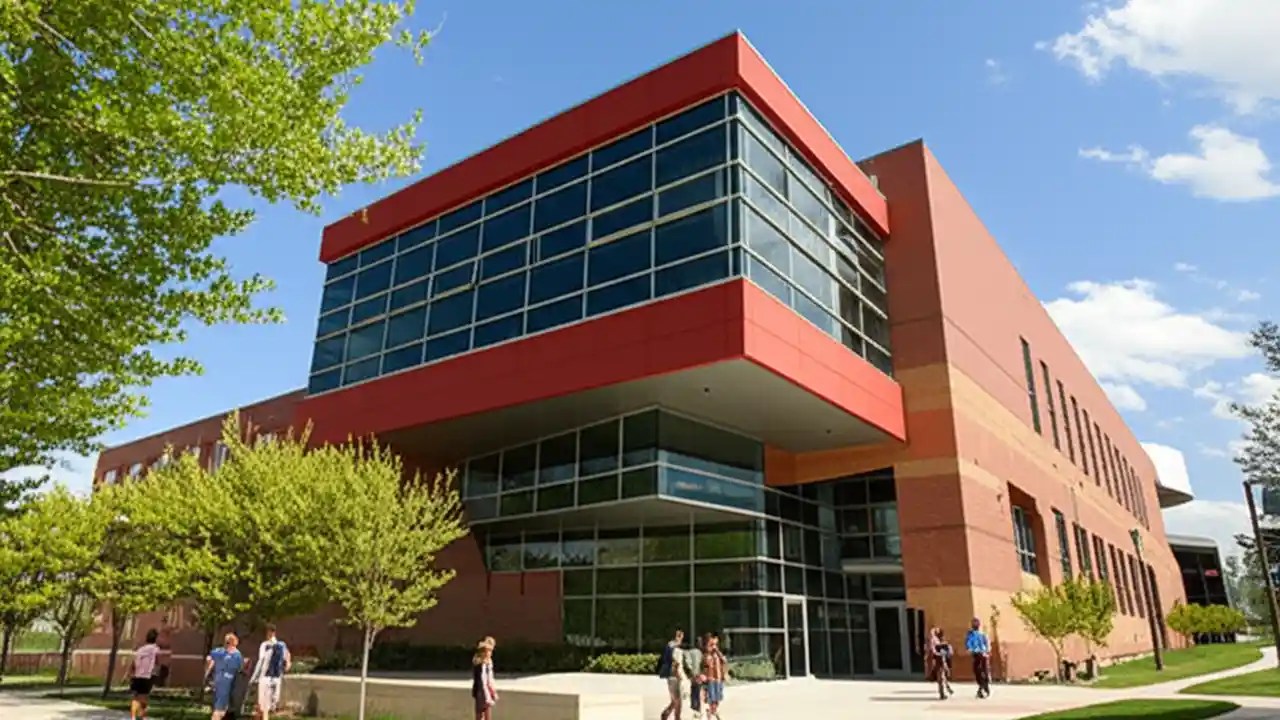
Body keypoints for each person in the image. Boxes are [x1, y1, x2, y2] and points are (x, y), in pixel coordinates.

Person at [250, 623, 292, 720]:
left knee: (267, 703)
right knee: (267, 704)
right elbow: (287, 656)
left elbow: (262, 661)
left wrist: (288, 663)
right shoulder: (275, 645)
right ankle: (264, 717)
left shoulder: (270, 645)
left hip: (270, 676)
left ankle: (262, 716)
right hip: (272, 677)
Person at [206, 633, 246, 720]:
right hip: (227, 683)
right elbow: (241, 669)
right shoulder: (237, 654)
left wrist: (209, 673)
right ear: (235, 642)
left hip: (219, 681)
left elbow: (209, 659)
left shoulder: (219, 651)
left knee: (220, 707)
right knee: (220, 709)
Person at [126, 628, 161, 720]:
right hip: (147, 675)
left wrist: (130, 673)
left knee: (135, 697)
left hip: (137, 675)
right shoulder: (155, 649)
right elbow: (157, 662)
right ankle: (142, 717)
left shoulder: (140, 649)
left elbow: (134, 662)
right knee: (144, 698)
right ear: (156, 638)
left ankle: (133, 717)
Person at [658, 629, 688, 720]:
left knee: (674, 700)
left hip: (670, 676)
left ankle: (665, 714)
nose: (681, 639)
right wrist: (679, 676)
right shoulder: (675, 648)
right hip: (674, 676)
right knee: (678, 701)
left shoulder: (668, 646)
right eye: (680, 636)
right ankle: (676, 717)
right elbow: (675, 664)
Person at [701, 634, 727, 720]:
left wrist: (718, 652)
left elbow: (724, 661)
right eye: (711, 645)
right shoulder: (706, 656)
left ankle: (712, 712)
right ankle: (712, 713)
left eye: (715, 645)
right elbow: (705, 667)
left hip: (719, 679)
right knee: (711, 700)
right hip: (711, 680)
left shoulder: (717, 655)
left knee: (717, 699)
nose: (714, 647)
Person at [965, 618, 992, 699]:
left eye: (976, 623)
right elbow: (968, 643)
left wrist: (987, 651)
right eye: (973, 623)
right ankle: (981, 687)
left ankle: (984, 688)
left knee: (985, 671)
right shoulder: (970, 634)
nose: (975, 625)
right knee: (977, 672)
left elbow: (987, 643)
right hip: (975, 654)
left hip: (983, 654)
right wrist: (969, 649)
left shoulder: (983, 634)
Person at [472, 638, 497, 720]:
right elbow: (483, 681)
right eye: (489, 651)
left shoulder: (487, 663)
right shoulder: (481, 664)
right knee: (481, 712)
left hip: (485, 691)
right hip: (481, 691)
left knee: (485, 711)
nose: (491, 653)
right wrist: (488, 695)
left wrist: (492, 691)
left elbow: (490, 679)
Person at [932, 629, 954, 700]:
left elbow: (949, 652)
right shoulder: (934, 640)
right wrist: (940, 653)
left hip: (943, 661)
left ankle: (948, 688)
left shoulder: (941, 641)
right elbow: (934, 651)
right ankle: (942, 694)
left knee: (944, 675)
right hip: (939, 661)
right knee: (941, 677)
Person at [686, 634, 705, 719]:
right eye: (700, 642)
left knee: (694, 690)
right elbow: (701, 664)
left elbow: (688, 663)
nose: (701, 644)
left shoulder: (689, 652)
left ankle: (695, 707)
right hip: (697, 674)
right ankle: (697, 708)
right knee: (697, 691)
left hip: (693, 675)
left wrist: (690, 673)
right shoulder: (699, 652)